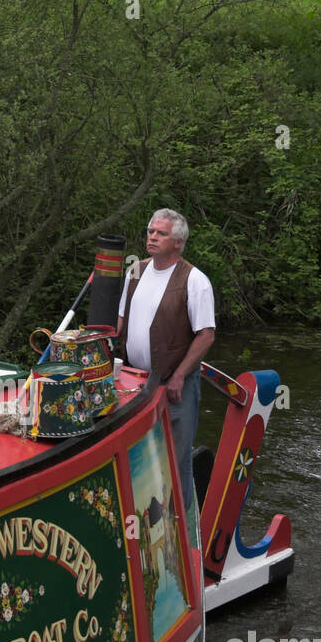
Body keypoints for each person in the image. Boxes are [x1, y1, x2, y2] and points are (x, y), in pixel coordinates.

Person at [117, 209, 215, 510]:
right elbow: (121, 319)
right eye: (150, 231)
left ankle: (183, 531)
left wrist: (179, 375)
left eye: (160, 233)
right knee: (139, 455)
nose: (152, 237)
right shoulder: (135, 271)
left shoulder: (195, 280)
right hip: (134, 381)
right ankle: (142, 524)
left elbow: (206, 334)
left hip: (176, 384)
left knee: (178, 456)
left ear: (178, 242)